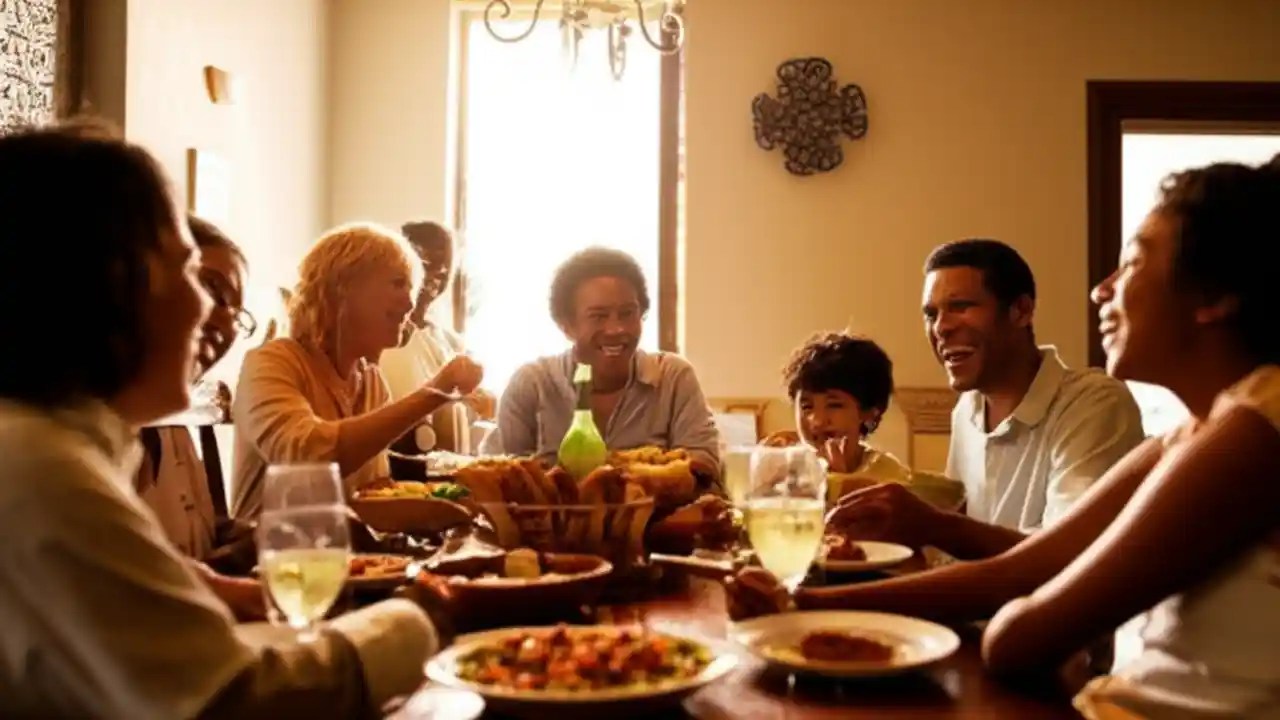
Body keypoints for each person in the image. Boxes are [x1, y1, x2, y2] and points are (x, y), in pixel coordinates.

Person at [0, 121, 444, 718]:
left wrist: (192, 586)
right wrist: (431, 613)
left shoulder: (50, 446)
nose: (211, 312)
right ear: (110, 280)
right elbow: (240, 701)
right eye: (189, 273)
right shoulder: (41, 466)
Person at [979, 156, 1280, 718]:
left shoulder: (1258, 428)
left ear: (1213, 297)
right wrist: (801, 599)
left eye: (1133, 261)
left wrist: (1045, 639)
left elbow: (1020, 638)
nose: (1101, 291)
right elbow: (1028, 572)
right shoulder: (1195, 430)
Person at [829, 239, 1144, 560]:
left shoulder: (1094, 404)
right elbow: (962, 525)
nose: (941, 327)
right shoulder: (967, 408)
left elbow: (1069, 557)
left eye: (960, 306)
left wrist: (934, 526)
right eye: (930, 313)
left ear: (1021, 310)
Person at [231, 222, 483, 519]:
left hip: (351, 557)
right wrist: (435, 393)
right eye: (398, 283)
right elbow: (306, 455)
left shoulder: (371, 381)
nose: (411, 302)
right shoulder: (271, 362)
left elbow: (370, 494)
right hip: (272, 558)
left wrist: (460, 499)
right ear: (343, 287)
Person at [482, 247, 721, 480]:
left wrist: (641, 478)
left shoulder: (673, 377)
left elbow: (705, 466)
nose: (617, 329)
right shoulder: (533, 384)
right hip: (550, 521)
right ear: (566, 325)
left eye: (628, 313)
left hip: (659, 520)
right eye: (598, 316)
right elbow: (497, 473)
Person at [135, 215, 261, 618]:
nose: (220, 318)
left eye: (236, 310)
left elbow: (201, 531)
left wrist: (276, 536)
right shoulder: (69, 439)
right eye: (209, 288)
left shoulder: (175, 415)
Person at [763, 331, 964, 508]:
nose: (816, 421)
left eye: (834, 405)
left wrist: (837, 482)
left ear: (869, 411)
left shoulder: (887, 474)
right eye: (806, 406)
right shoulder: (788, 464)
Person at [379, 220, 494, 455]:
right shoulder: (379, 340)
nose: (437, 275)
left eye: (445, 268)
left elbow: (471, 408)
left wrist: (483, 401)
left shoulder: (449, 342)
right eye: (426, 264)